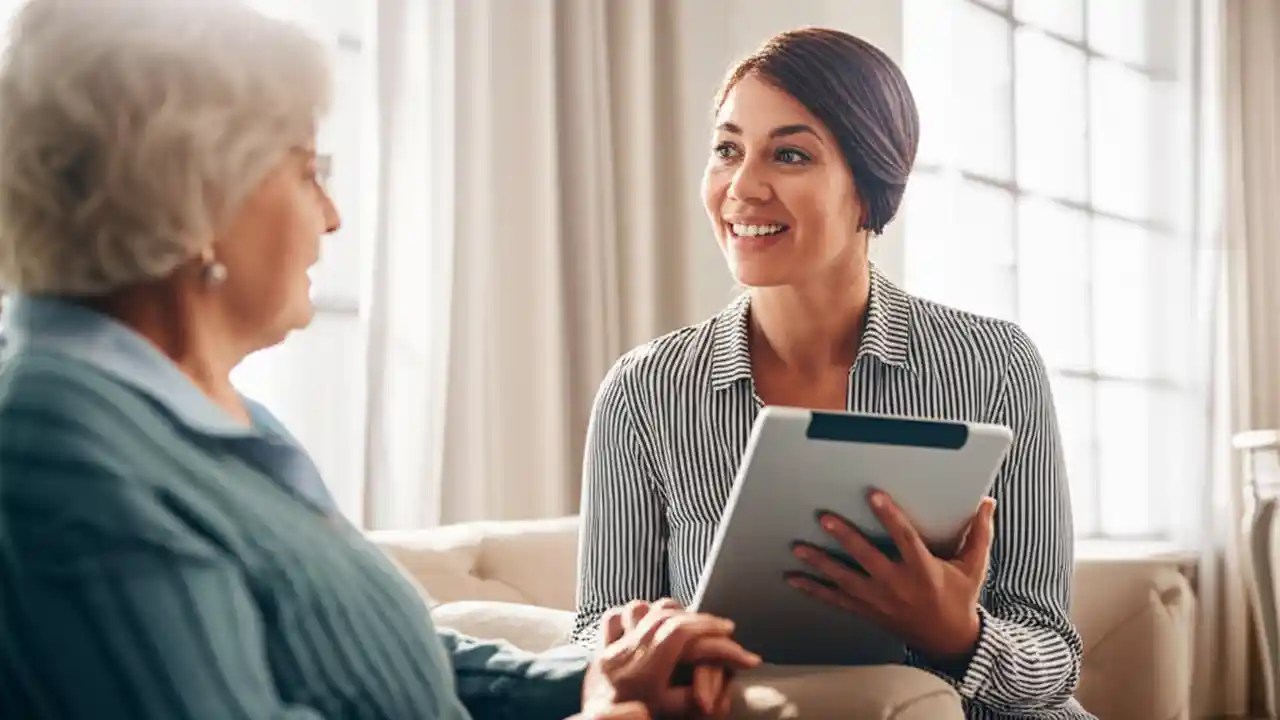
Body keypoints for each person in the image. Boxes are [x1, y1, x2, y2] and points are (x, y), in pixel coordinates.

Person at [0, 1, 760, 718]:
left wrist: (591, 677)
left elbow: (362, 652)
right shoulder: (62, 455)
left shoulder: (210, 416)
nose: (330, 217)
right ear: (197, 194)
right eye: (307, 171)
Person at [572, 28, 1092, 720]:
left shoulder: (995, 365)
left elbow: (1051, 657)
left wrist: (959, 637)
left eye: (789, 154)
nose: (743, 186)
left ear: (871, 189)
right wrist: (649, 648)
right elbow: (592, 637)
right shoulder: (645, 391)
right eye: (727, 150)